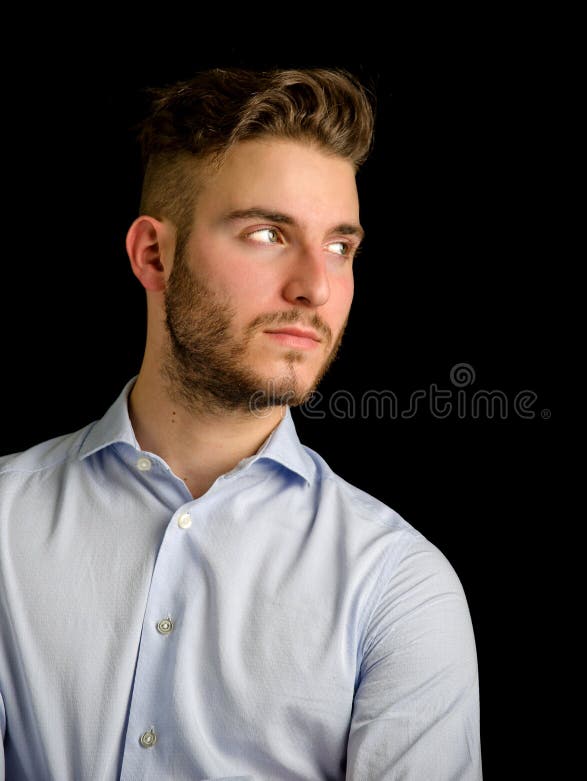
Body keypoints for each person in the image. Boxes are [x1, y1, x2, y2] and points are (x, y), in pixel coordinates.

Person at [0, 67, 481, 780]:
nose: (315, 286)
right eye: (266, 233)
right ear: (153, 254)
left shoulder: (398, 587)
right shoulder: (4, 523)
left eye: (341, 246)